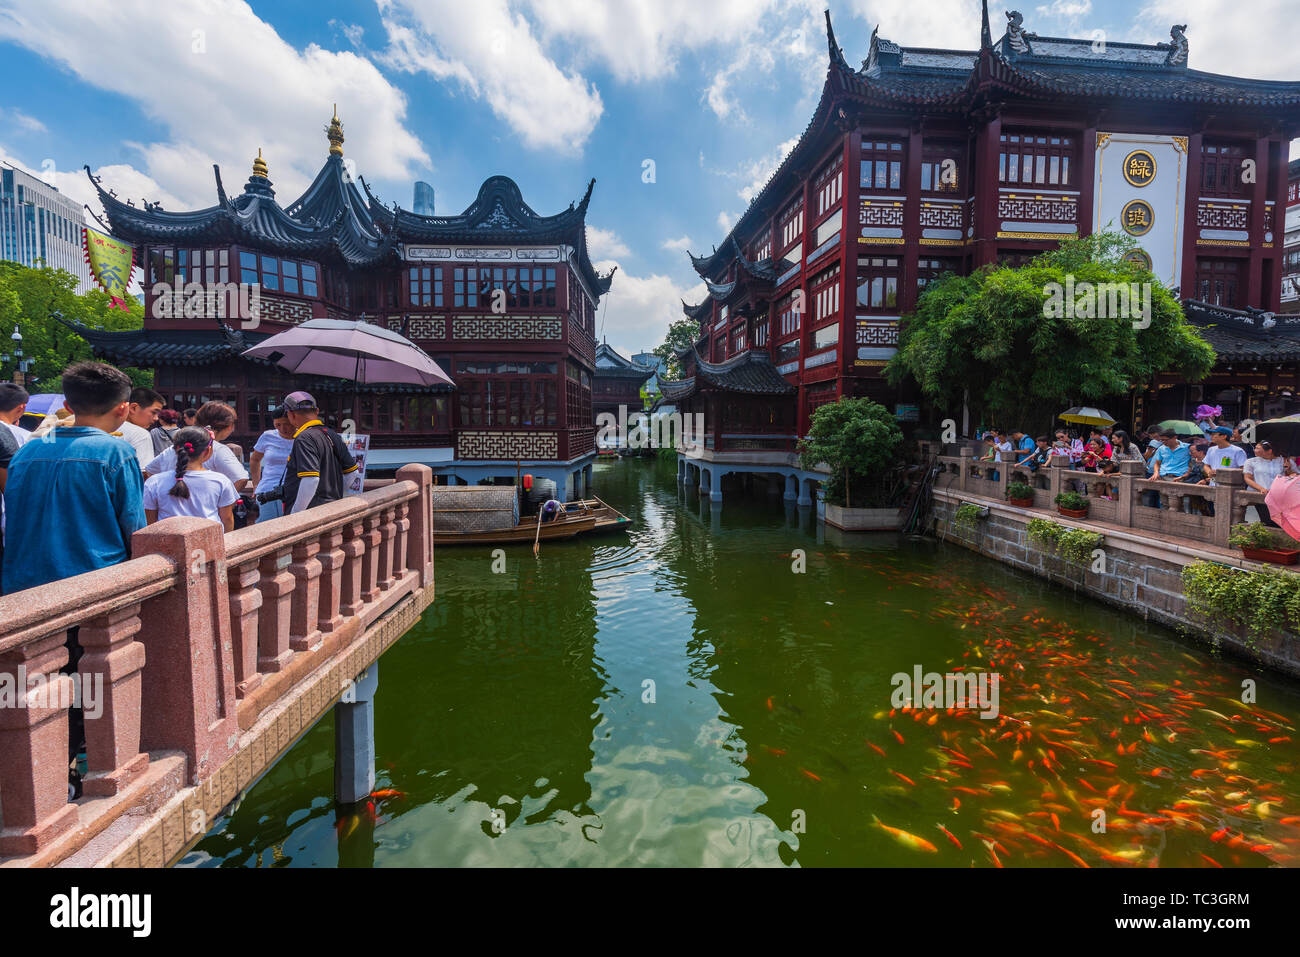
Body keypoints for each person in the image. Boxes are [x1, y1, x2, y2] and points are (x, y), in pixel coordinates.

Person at [1, 362, 145, 595]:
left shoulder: (26, 451)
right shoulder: (116, 452)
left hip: (23, 583)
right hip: (92, 580)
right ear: (123, 408)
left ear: (67, 406)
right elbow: (133, 526)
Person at [143, 427, 238, 532]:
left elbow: (150, 523)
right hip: (208, 542)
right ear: (207, 452)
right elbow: (227, 519)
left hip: (168, 543)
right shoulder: (221, 481)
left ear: (175, 449)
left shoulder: (154, 482)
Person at [143, 401, 249, 492]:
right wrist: (224, 503)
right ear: (229, 425)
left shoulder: (174, 448)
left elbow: (149, 471)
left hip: (169, 514)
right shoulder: (219, 449)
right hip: (205, 514)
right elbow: (241, 479)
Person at [280, 391, 357, 514]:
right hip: (331, 509)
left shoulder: (304, 438)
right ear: (316, 411)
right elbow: (353, 473)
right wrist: (334, 496)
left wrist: (296, 513)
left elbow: (311, 479)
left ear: (291, 414)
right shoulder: (332, 434)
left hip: (310, 513)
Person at [250, 407, 295, 522]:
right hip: (267, 490)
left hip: (294, 491)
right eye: (278, 424)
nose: (282, 428)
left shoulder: (304, 437)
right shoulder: (267, 436)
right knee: (266, 526)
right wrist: (256, 484)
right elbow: (255, 460)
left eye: (286, 424)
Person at [116, 387, 165, 468]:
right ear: (133, 408)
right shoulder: (140, 434)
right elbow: (143, 473)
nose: (156, 418)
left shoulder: (102, 428)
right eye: (154, 412)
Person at [1244, 440, 1289, 527]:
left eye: (1258, 448)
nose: (1254, 450)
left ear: (1269, 451)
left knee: (1281, 521)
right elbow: (1247, 478)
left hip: (1279, 496)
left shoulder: (1282, 460)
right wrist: (1261, 488)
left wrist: (1289, 468)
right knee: (1267, 520)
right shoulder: (1251, 462)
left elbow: (1290, 475)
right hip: (1262, 495)